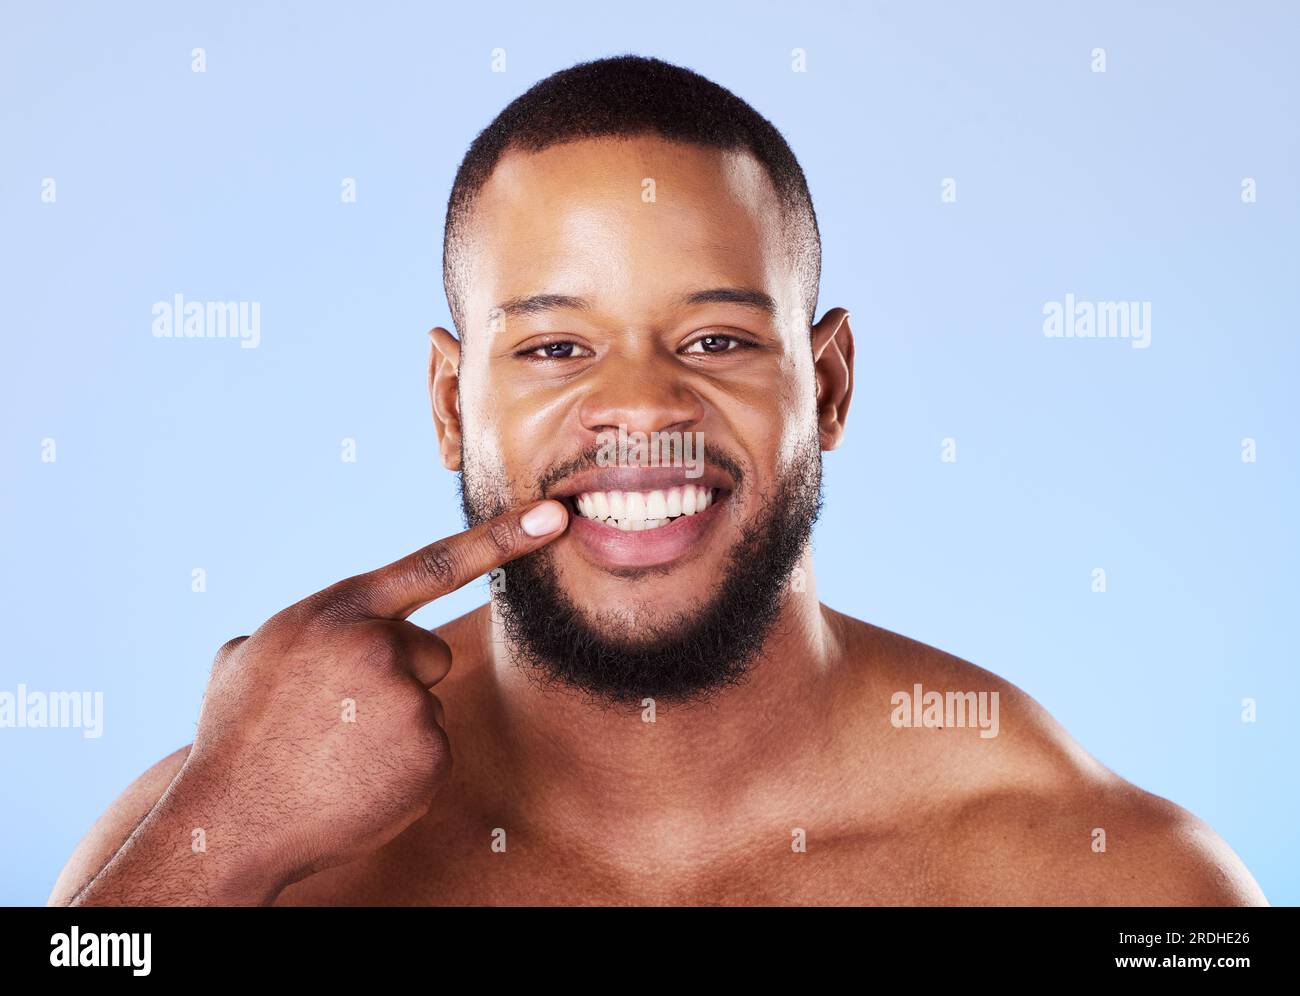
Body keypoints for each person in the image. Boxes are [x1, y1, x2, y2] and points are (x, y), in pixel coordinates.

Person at [49, 55, 1267, 906]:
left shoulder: (1103, 878)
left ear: (829, 385)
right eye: (555, 348)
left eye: (717, 340)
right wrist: (222, 847)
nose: (639, 407)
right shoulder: (214, 843)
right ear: (446, 403)